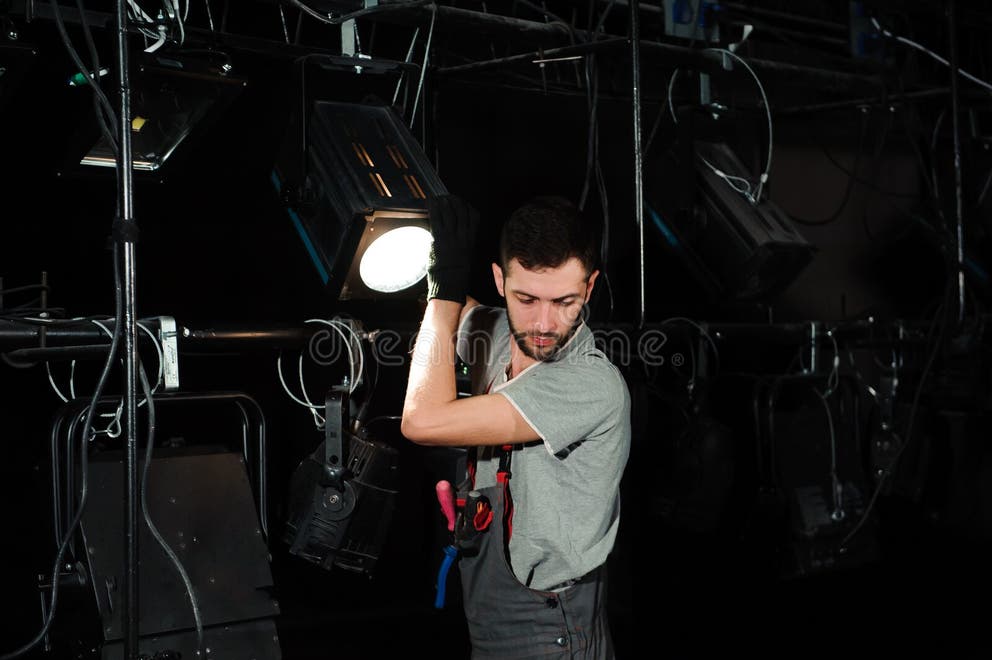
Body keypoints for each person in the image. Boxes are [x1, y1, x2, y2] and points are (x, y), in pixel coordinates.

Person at [401, 193, 631, 659]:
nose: (543, 324)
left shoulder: (589, 383)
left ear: (589, 288)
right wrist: (437, 268)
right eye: (526, 299)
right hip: (488, 616)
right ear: (499, 280)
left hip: (551, 629)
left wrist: (443, 292)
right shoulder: (498, 335)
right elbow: (453, 306)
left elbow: (421, 421)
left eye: (564, 301)